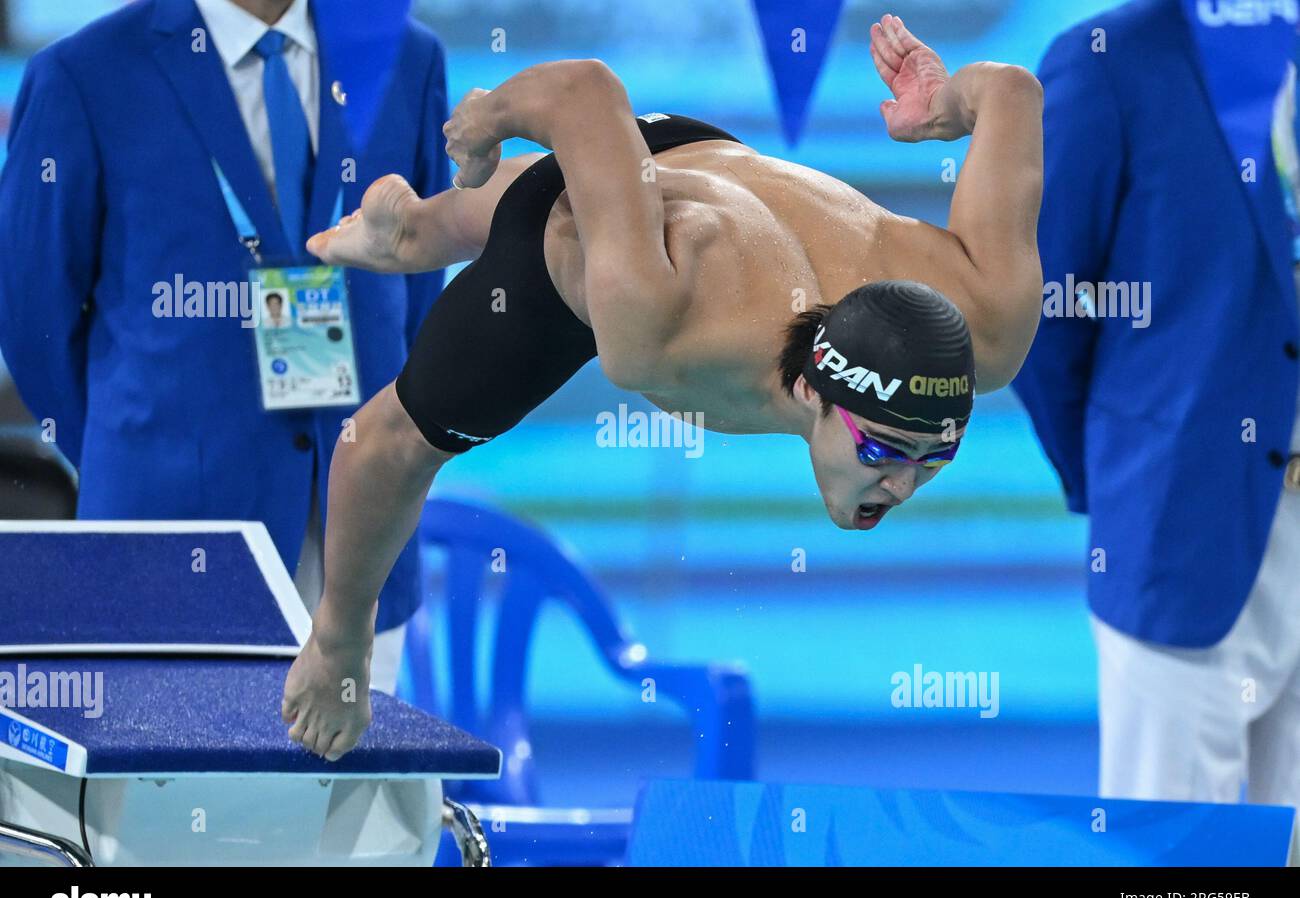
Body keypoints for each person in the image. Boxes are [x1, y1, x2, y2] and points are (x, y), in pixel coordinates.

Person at [279, 14, 1044, 759]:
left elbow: (1010, 91)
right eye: (884, 448)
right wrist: (488, 117)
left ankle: (407, 226)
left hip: (706, 163)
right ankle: (412, 230)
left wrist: (940, 105)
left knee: (584, 199)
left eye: (932, 457)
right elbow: (583, 94)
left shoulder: (985, 335)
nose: (904, 483)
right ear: (814, 391)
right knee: (426, 406)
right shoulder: (670, 332)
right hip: (647, 218)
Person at [0, 0, 452, 694]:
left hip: (359, 548)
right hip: (164, 545)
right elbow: (32, 317)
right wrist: (146, 449)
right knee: (176, 798)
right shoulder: (85, 75)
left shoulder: (404, 59)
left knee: (340, 795)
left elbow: (421, 299)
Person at [1013, 0, 1300, 853]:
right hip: (1183, 516)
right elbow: (1039, 315)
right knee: (1177, 876)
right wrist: (1126, 472)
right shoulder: (1108, 62)